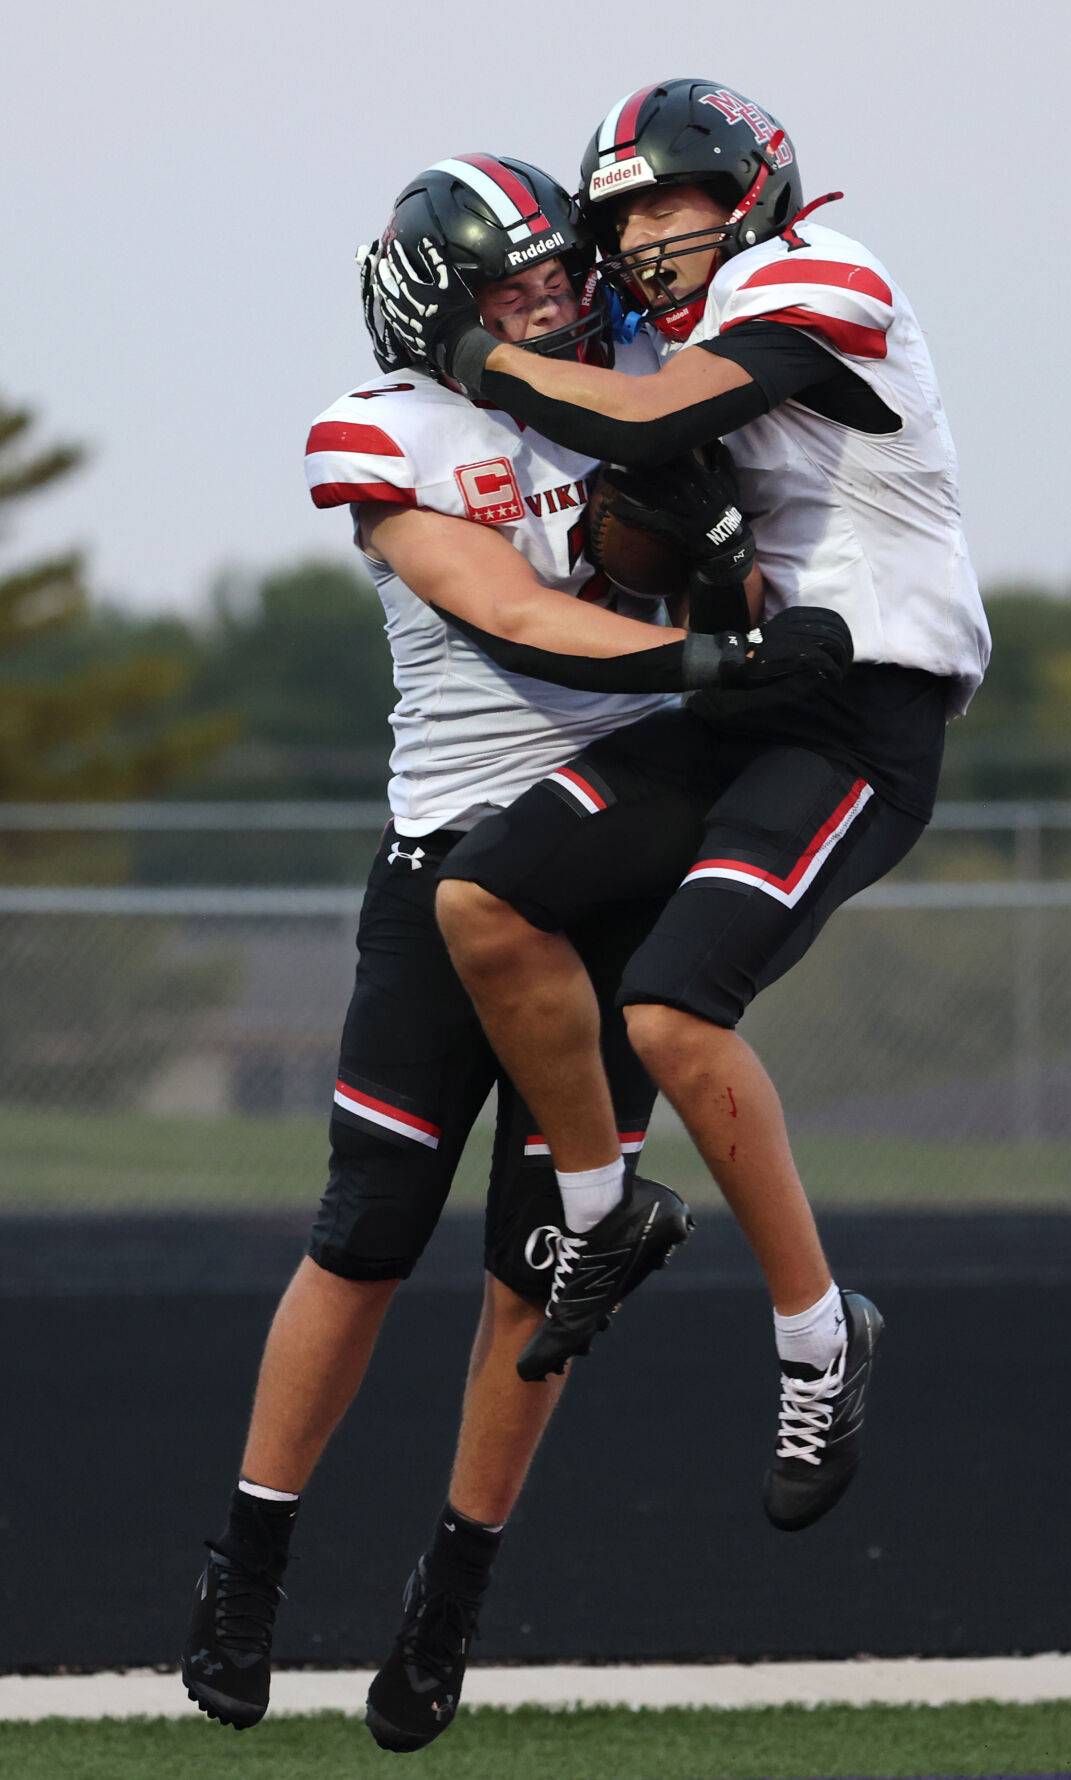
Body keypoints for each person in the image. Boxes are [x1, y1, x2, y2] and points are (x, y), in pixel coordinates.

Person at [179, 151, 845, 1754]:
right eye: (513, 286)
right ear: (437, 307)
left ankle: (451, 1599)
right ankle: (248, 1564)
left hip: (610, 864)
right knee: (364, 1236)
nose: (550, 304)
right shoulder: (388, 429)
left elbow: (727, 548)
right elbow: (517, 615)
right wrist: (717, 659)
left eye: (559, 276)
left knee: (543, 1267)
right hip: (455, 869)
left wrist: (723, 574)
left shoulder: (634, 387)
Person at [381, 80, 992, 1533]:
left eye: (673, 202)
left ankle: (819, 1338)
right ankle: (602, 1214)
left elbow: (659, 414)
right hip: (751, 694)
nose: (648, 236)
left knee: (666, 1008)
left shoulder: (822, 271)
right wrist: (692, 556)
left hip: (864, 710)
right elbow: (675, 543)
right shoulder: (669, 329)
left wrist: (470, 348)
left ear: (750, 188)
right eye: (629, 217)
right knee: (483, 893)